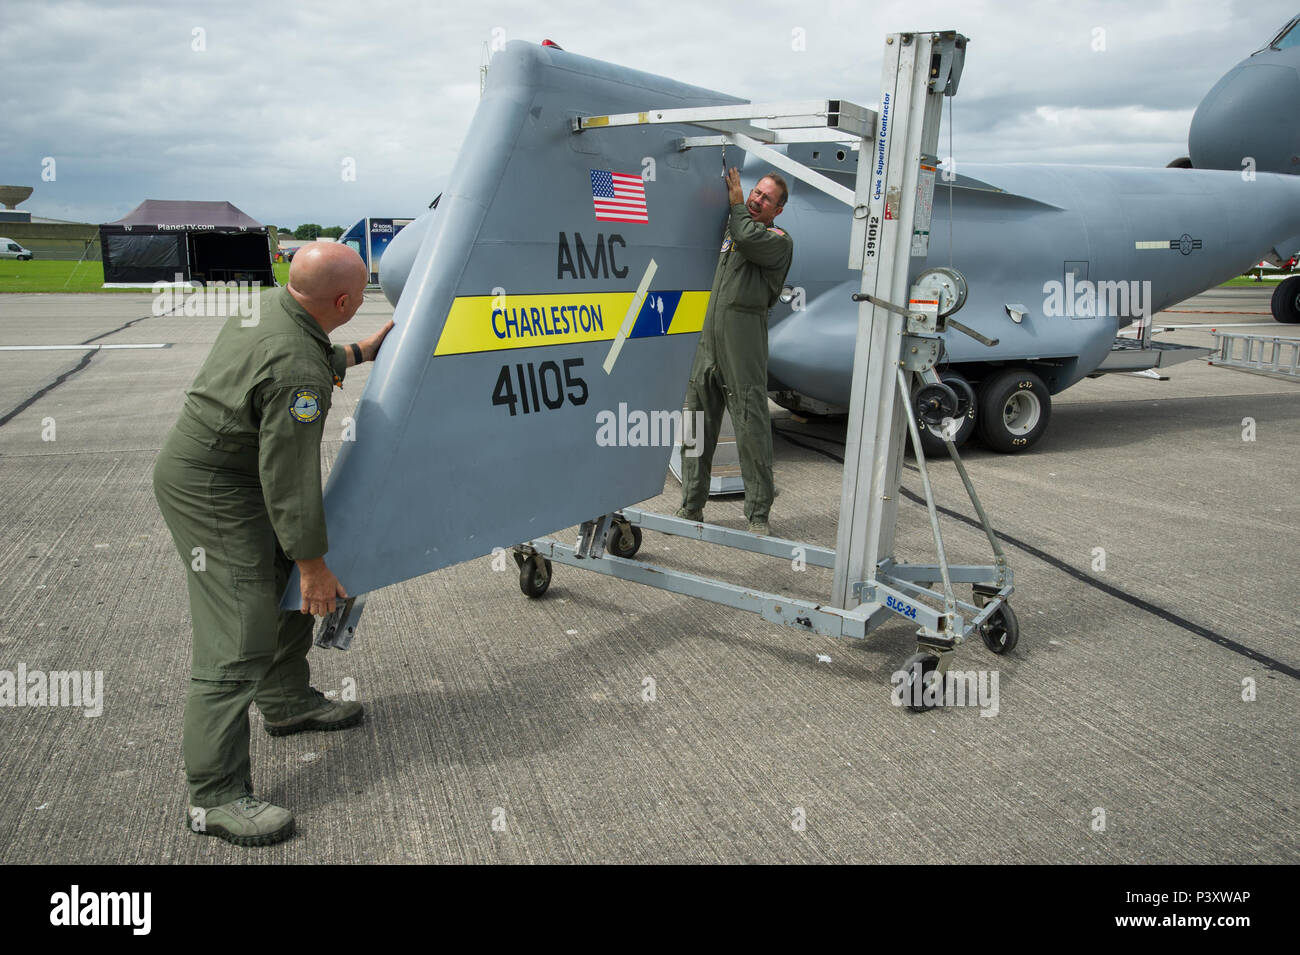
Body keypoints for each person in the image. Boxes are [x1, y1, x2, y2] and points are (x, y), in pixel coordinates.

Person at [153, 242, 394, 846]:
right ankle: (214, 797)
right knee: (239, 634)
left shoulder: (272, 307)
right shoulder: (298, 375)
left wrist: (361, 351)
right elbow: (288, 478)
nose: (363, 301)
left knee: (284, 576)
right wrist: (314, 565)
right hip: (216, 491)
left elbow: (303, 351)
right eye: (362, 294)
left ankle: (286, 701)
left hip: (233, 471)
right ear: (342, 299)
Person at [678, 168, 793, 536]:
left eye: (766, 198)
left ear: (778, 210)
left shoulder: (776, 240)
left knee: (751, 425)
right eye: (756, 193)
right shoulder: (735, 230)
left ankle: (758, 515)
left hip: (743, 342)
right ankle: (691, 507)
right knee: (697, 425)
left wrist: (737, 203)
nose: (757, 199)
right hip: (709, 339)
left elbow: (744, 234)